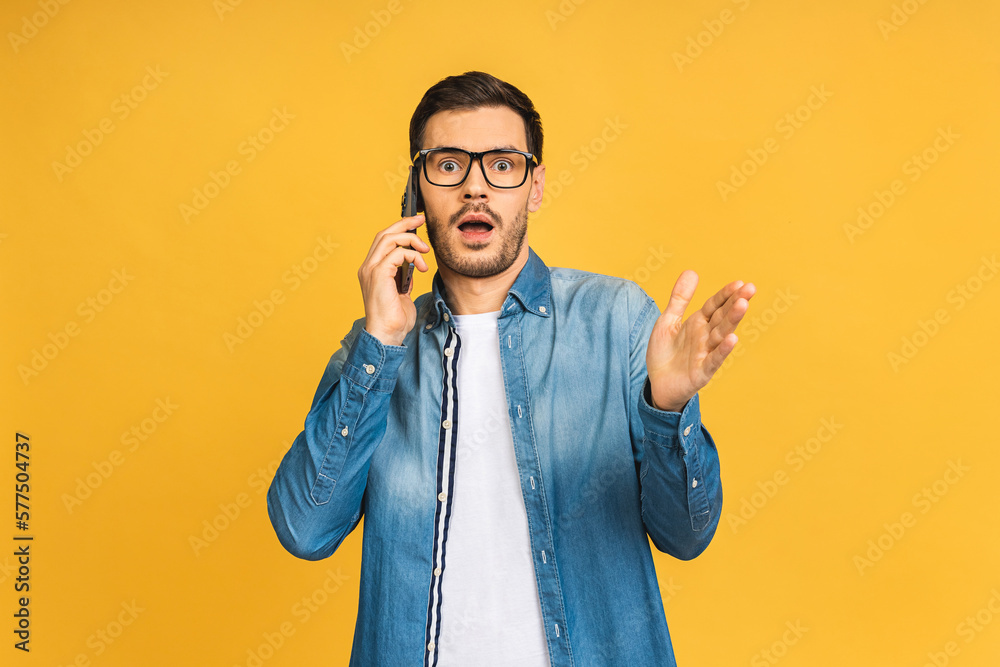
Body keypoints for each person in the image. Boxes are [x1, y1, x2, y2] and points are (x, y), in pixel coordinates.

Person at [267, 70, 756, 666]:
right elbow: (305, 529)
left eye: (502, 164)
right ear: (417, 190)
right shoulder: (374, 349)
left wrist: (667, 410)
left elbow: (687, 535)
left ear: (535, 186)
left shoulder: (619, 320)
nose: (475, 188)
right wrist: (380, 343)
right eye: (449, 165)